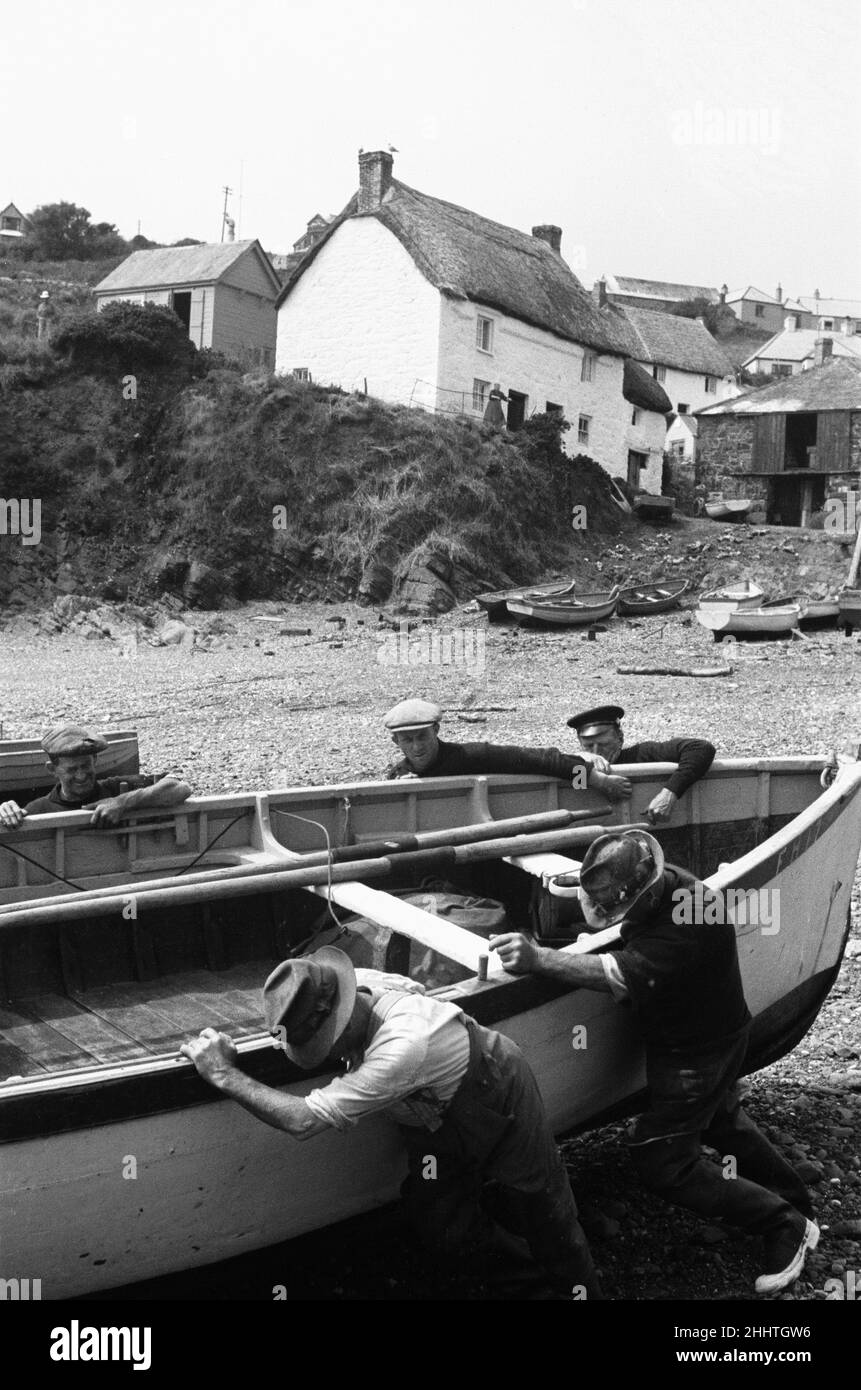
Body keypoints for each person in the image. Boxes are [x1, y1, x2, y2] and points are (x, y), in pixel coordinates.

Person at [489, 829, 819, 1296]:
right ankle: (795, 1199)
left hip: (699, 1049)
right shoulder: (666, 883)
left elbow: (617, 972)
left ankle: (785, 1224)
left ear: (645, 889)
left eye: (616, 911)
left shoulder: (692, 919)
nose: (608, 917)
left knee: (661, 1158)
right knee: (721, 1120)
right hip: (703, 1031)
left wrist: (539, 958)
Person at [181, 947, 602, 1299]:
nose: (324, 1057)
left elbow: (301, 1121)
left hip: (494, 1085)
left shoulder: (402, 1048)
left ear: (342, 1027)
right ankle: (527, 1278)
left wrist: (223, 1074)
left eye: (322, 1046)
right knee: (442, 1222)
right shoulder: (356, 983)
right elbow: (413, 986)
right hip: (428, 1112)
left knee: (544, 1206)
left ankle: (577, 1287)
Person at [384, 698, 629, 799]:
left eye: (422, 737)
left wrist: (594, 779)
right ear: (396, 742)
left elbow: (540, 760)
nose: (417, 747)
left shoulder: (471, 756)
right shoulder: (399, 775)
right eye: (408, 740)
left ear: (436, 731)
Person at [0, 724, 191, 829]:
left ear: (95, 759)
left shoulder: (116, 788)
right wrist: (5, 812)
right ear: (52, 769)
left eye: (86, 766)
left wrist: (122, 802)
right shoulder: (39, 809)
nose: (81, 775)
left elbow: (180, 788)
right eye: (72, 770)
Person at [566, 704, 716, 824]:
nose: (597, 751)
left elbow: (701, 749)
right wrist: (579, 759)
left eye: (603, 744)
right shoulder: (579, 767)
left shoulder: (641, 754)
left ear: (620, 738)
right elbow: (562, 774)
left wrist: (669, 794)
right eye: (589, 746)